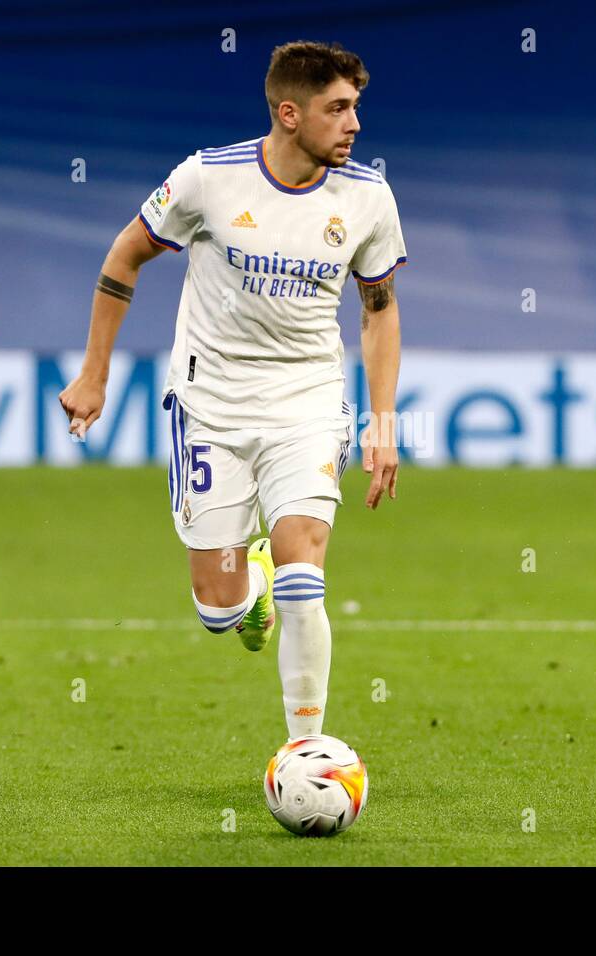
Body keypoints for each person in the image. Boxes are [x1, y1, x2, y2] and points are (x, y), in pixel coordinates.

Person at [57, 40, 407, 742]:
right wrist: (95, 373)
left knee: (304, 573)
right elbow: (126, 253)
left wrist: (382, 420)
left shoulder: (368, 196)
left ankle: (306, 751)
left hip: (307, 403)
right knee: (218, 608)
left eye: (356, 108)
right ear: (289, 113)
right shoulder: (207, 180)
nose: (354, 124)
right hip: (210, 406)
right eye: (337, 108)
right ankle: (248, 590)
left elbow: (379, 309)